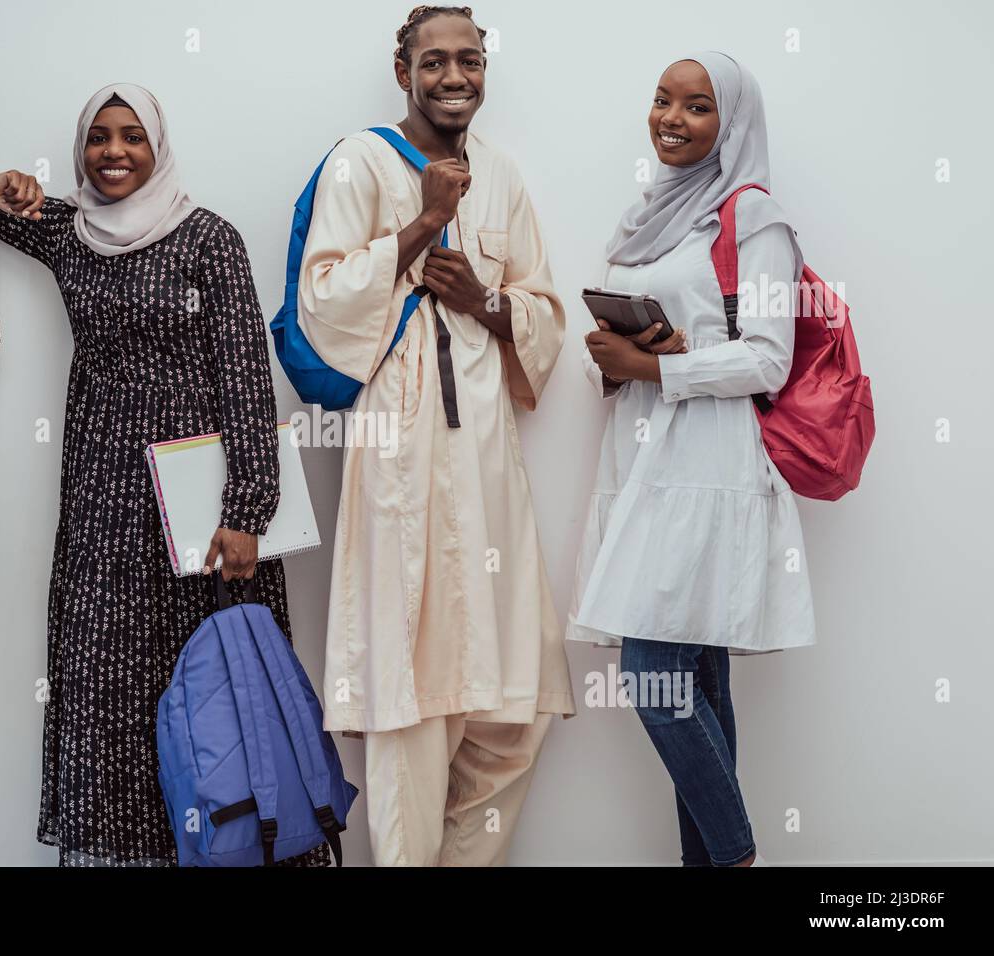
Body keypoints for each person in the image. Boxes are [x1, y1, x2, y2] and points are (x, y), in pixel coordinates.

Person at [0, 84, 331, 867]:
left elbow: (247, 378)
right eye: (99, 138)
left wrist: (248, 507)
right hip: (104, 500)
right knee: (106, 688)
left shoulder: (207, 238)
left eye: (132, 138)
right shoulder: (70, 233)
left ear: (158, 148)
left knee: (222, 686)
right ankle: (127, 854)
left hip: (202, 514)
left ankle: (243, 842)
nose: (114, 153)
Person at [299, 6, 575, 866]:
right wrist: (420, 225)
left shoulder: (502, 173)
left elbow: (543, 310)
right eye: (436, 61)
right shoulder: (360, 162)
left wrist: (482, 302)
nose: (456, 76)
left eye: (471, 59)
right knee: (410, 697)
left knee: (515, 707)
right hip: (398, 454)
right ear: (402, 68)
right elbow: (322, 305)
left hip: (488, 455)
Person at [568, 51, 815, 867]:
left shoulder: (755, 219)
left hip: (711, 468)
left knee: (654, 677)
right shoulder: (651, 214)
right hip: (646, 460)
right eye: (662, 101)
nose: (671, 119)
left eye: (698, 106)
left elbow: (770, 358)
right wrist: (622, 356)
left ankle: (738, 854)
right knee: (699, 681)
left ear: (732, 124)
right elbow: (680, 342)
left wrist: (660, 366)